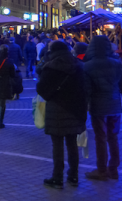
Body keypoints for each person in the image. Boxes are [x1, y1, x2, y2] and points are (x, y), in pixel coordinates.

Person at [36, 41, 87, 189]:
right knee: (72, 144)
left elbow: (41, 88)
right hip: (75, 109)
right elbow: (84, 89)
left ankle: (57, 177)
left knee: (57, 145)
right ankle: (74, 176)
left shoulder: (50, 67)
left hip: (56, 108)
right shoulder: (79, 66)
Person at [82, 36, 122, 182]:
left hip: (98, 107)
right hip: (115, 105)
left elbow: (86, 91)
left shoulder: (88, 66)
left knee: (101, 139)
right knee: (113, 137)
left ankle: (102, 169)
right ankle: (113, 169)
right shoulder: (116, 64)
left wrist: (83, 109)